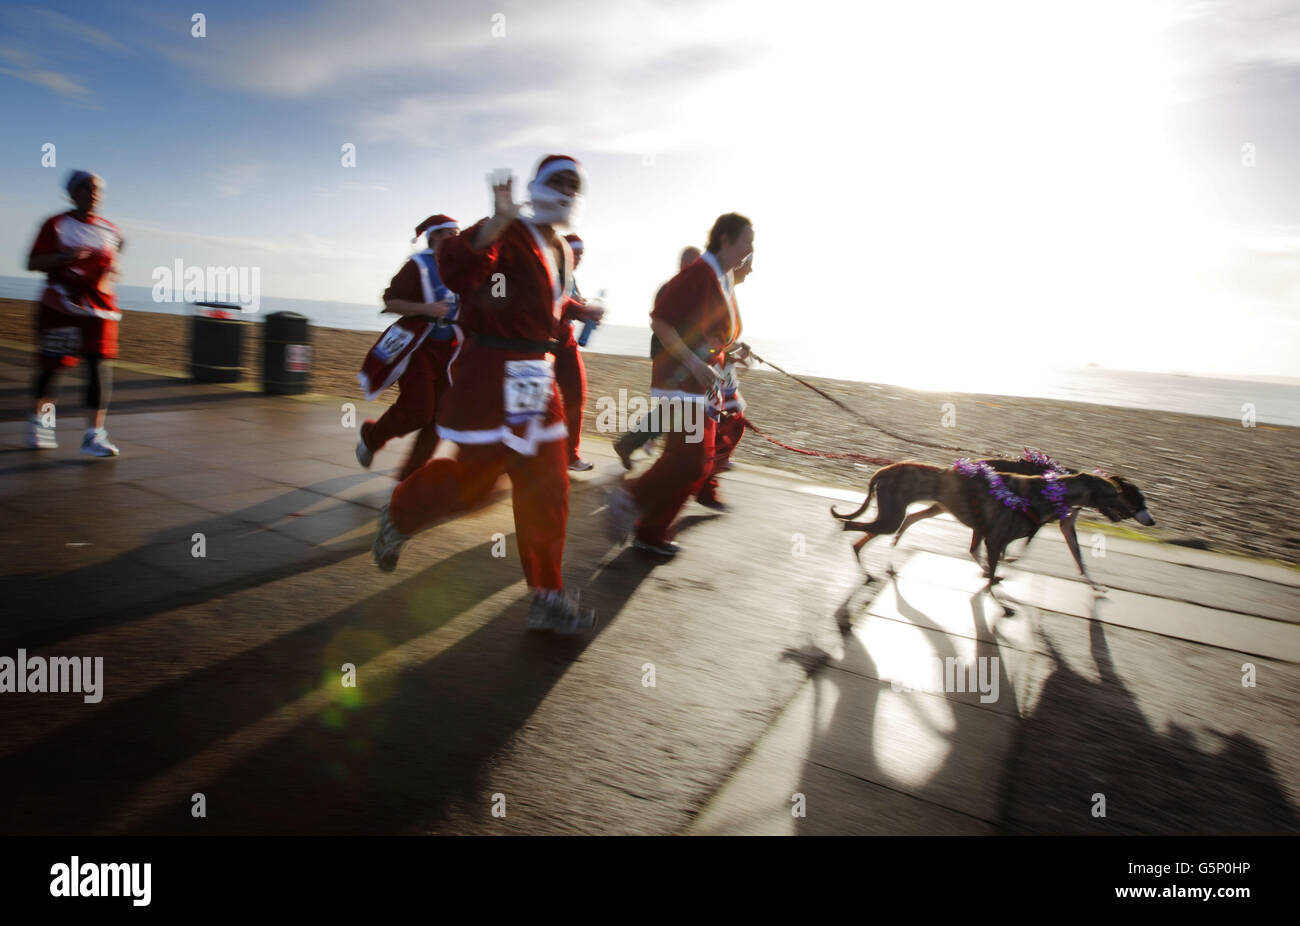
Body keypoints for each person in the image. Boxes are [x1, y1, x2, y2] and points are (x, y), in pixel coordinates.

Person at [371, 155, 594, 633]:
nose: (568, 192)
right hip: (491, 375)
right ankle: (400, 511)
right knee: (471, 485)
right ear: (536, 185)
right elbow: (459, 270)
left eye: (575, 185)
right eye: (558, 181)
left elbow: (547, 300)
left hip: (537, 378)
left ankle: (547, 595)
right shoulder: (509, 230)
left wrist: (580, 308)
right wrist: (497, 220)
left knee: (548, 485)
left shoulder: (563, 250)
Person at [606, 213, 753, 556]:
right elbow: (661, 321)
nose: (750, 249)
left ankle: (651, 531)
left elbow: (708, 332)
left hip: (703, 381)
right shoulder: (699, 274)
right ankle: (629, 498)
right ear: (726, 239)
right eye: (746, 240)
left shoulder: (723, 278)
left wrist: (731, 350)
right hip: (681, 379)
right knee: (691, 459)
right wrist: (695, 363)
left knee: (693, 460)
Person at [25, 171, 125, 456]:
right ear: (72, 193)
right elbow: (32, 262)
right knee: (54, 367)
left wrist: (111, 272)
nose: (93, 194)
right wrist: (64, 258)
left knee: (98, 366)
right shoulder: (55, 224)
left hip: (100, 310)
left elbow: (113, 263)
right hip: (61, 307)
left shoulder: (111, 230)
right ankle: (40, 424)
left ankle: (94, 435)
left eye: (97, 190)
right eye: (86, 188)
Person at [356, 214, 461, 481]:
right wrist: (426, 309)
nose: (456, 238)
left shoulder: (461, 267)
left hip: (451, 351)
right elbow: (390, 302)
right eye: (450, 233)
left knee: (441, 417)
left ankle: (410, 479)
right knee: (418, 411)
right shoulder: (418, 265)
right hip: (418, 349)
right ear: (434, 236)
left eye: (458, 234)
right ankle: (372, 437)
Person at [612, 245, 701, 469]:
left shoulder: (689, 289)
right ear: (682, 263)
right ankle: (636, 445)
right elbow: (665, 325)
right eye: (692, 262)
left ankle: (636, 444)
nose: (695, 267)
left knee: (673, 408)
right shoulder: (672, 288)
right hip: (670, 357)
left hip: (679, 356)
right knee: (675, 408)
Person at [553, 233, 605, 472]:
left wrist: (586, 310)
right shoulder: (549, 272)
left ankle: (569, 455)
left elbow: (570, 304)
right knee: (534, 403)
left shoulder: (571, 277)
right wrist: (582, 310)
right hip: (543, 346)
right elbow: (558, 303)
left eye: (582, 254)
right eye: (576, 252)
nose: (580, 257)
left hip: (566, 343)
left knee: (576, 396)